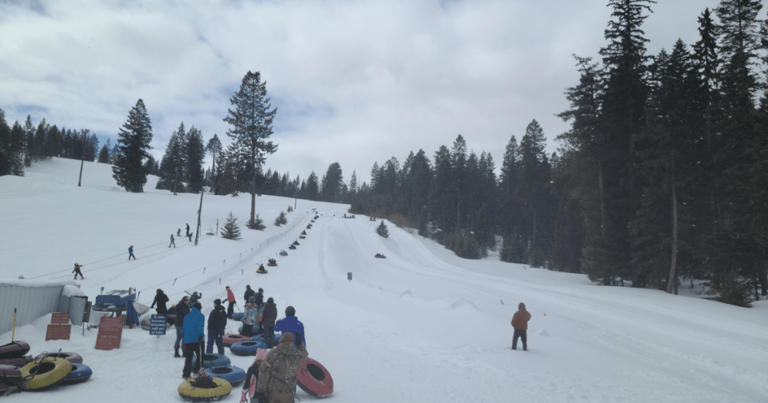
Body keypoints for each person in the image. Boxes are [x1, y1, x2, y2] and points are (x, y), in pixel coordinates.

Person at [255, 332, 308, 403]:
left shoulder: (272, 353)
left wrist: (261, 391)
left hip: (273, 392)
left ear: (281, 340)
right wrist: (299, 344)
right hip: (288, 392)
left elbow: (264, 372)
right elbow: (304, 354)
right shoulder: (296, 354)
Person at [182, 302, 205, 379]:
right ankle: (196, 370)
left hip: (188, 340)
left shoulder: (186, 316)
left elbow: (184, 329)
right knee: (200, 356)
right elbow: (200, 327)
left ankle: (186, 373)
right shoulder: (201, 316)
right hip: (197, 340)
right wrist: (201, 336)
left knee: (189, 357)